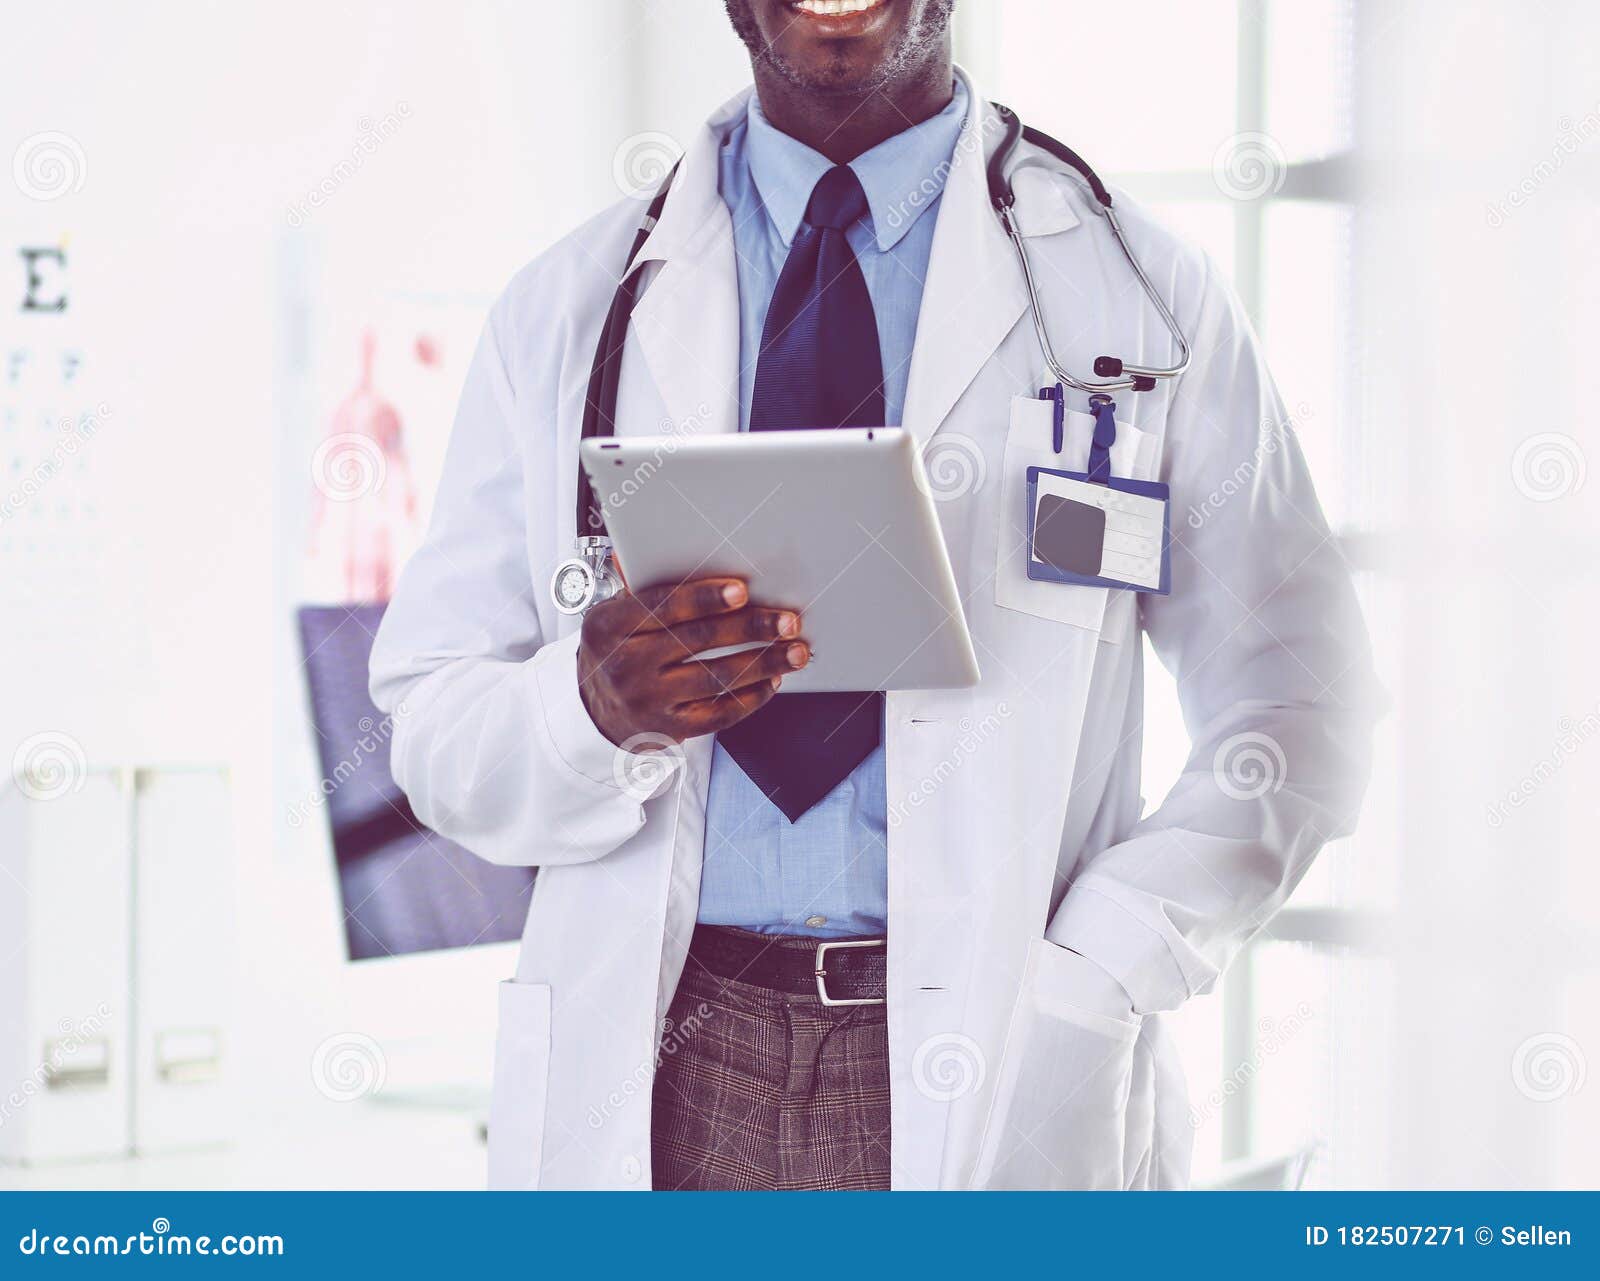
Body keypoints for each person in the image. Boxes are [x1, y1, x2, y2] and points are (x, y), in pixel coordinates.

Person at [370, 0, 1376, 1191]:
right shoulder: (567, 307)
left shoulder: (1139, 296)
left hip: (1000, 1046)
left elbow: (1302, 708)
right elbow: (432, 727)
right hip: (663, 1062)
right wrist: (587, 709)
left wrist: (1106, 961)